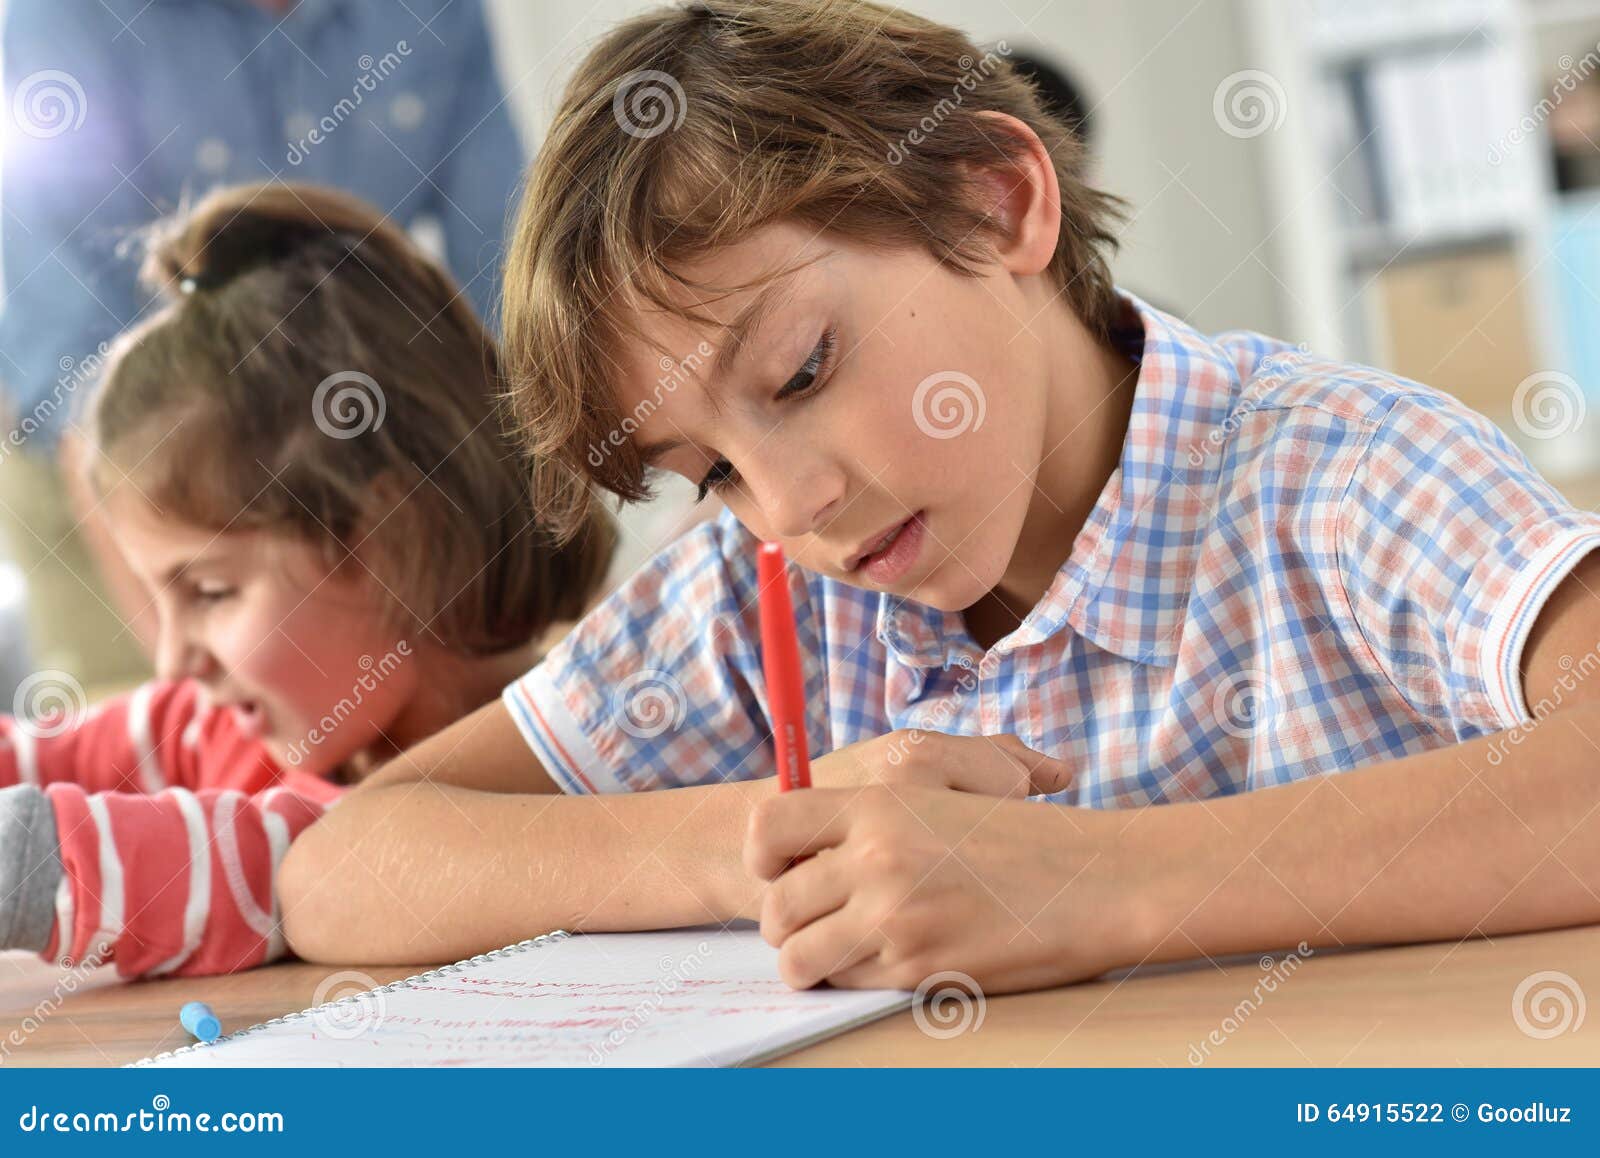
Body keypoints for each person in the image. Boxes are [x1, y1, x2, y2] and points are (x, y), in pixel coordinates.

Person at [283, 0, 1600, 995]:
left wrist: (1090, 887)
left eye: (804, 370)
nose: (794, 503)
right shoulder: (763, 596)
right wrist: (777, 840)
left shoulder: (1332, 472)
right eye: (713, 473)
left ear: (997, 200)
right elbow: (343, 866)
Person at [0, 182, 615, 978]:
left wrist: (22, 866)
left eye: (211, 593)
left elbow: (275, 861)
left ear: (388, 540)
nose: (175, 660)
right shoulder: (213, 727)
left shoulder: (553, 759)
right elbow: (43, 755)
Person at [0, 0, 525, 685]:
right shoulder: (63, 23)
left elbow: (509, 303)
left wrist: (531, 607)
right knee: (167, 750)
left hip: (349, 445)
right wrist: (208, 691)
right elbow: (84, 394)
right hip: (116, 479)